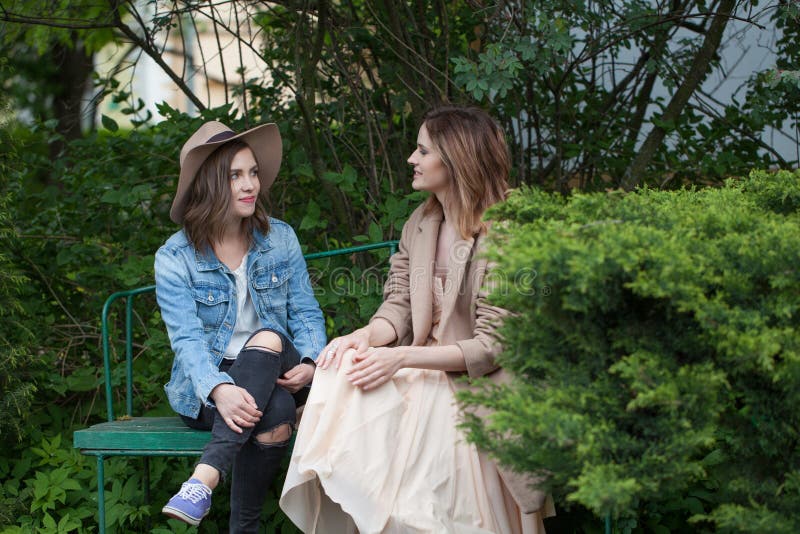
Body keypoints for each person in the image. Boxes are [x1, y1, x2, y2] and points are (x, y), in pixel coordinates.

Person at [280, 106, 555, 533]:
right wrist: (363, 335)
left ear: (457, 159)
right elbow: (400, 307)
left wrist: (401, 358)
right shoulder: (422, 222)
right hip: (421, 370)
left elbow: (491, 347)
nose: (412, 158)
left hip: (480, 385)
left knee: (419, 494)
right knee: (342, 366)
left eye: (423, 151)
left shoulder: (507, 232)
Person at [154, 121, 326, 531]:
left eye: (253, 172)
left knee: (268, 338)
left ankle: (202, 480)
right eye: (235, 175)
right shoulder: (175, 257)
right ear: (210, 183)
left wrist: (311, 362)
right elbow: (187, 339)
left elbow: (305, 313)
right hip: (209, 390)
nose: (250, 185)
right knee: (278, 412)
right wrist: (219, 390)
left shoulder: (279, 238)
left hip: (280, 366)